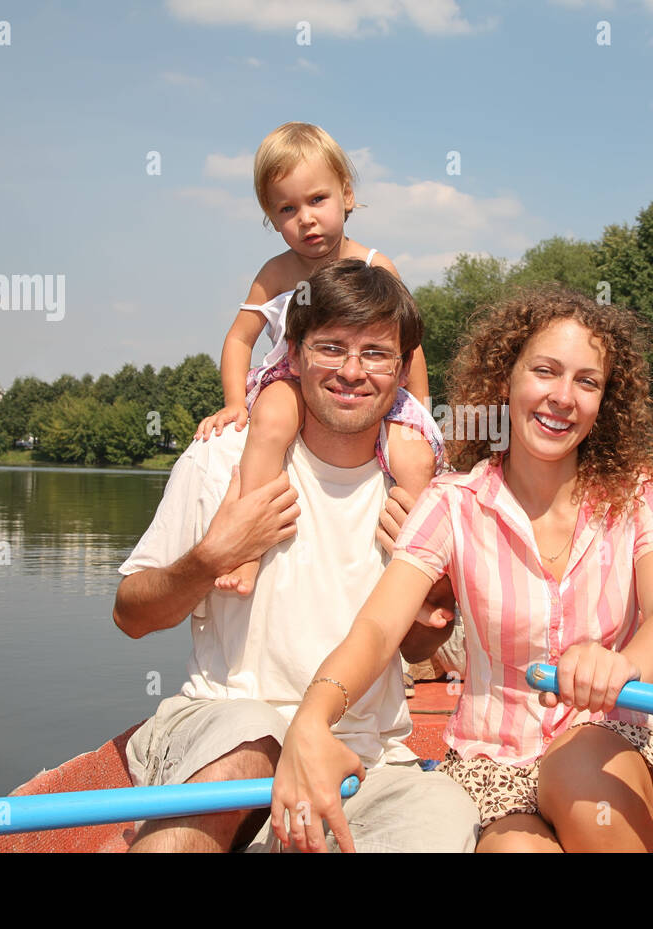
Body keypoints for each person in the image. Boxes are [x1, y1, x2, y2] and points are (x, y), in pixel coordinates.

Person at [270, 286, 653, 853]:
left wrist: (623, 665)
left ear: (606, 401)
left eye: (587, 382)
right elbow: (378, 630)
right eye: (545, 372)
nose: (563, 397)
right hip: (492, 763)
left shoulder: (639, 494)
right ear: (507, 380)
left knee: (578, 776)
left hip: (602, 738)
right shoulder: (451, 503)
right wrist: (313, 716)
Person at [113, 259, 479, 853]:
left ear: (402, 367)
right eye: (331, 347)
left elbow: (415, 649)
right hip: (227, 721)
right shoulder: (221, 459)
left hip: (367, 753)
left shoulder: (427, 489)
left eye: (377, 354)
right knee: (250, 745)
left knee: (445, 814)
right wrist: (213, 555)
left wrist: (435, 596)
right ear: (295, 353)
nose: (352, 372)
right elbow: (132, 616)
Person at [192, 121, 441, 597]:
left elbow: (408, 345)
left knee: (414, 458)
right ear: (271, 216)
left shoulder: (374, 266)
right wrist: (233, 403)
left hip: (369, 382)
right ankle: (246, 549)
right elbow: (239, 339)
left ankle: (421, 571)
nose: (305, 218)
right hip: (293, 374)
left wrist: (420, 409)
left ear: (347, 196)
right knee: (270, 422)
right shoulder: (276, 272)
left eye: (317, 200)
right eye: (287, 208)